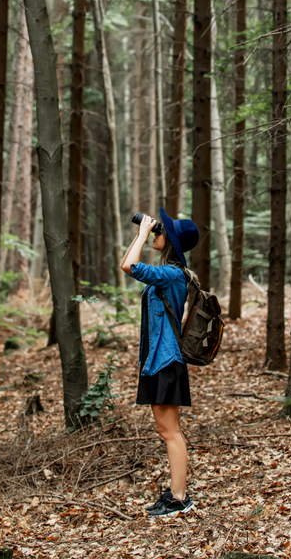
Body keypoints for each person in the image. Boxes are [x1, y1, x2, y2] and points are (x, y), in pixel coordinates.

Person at [120, 209, 200, 518]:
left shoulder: (173, 274)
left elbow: (129, 266)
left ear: (170, 242)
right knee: (166, 429)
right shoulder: (169, 273)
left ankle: (179, 498)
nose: (154, 234)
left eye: (158, 232)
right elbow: (126, 263)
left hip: (166, 361)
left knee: (170, 432)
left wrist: (141, 235)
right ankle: (177, 493)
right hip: (159, 361)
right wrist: (141, 232)